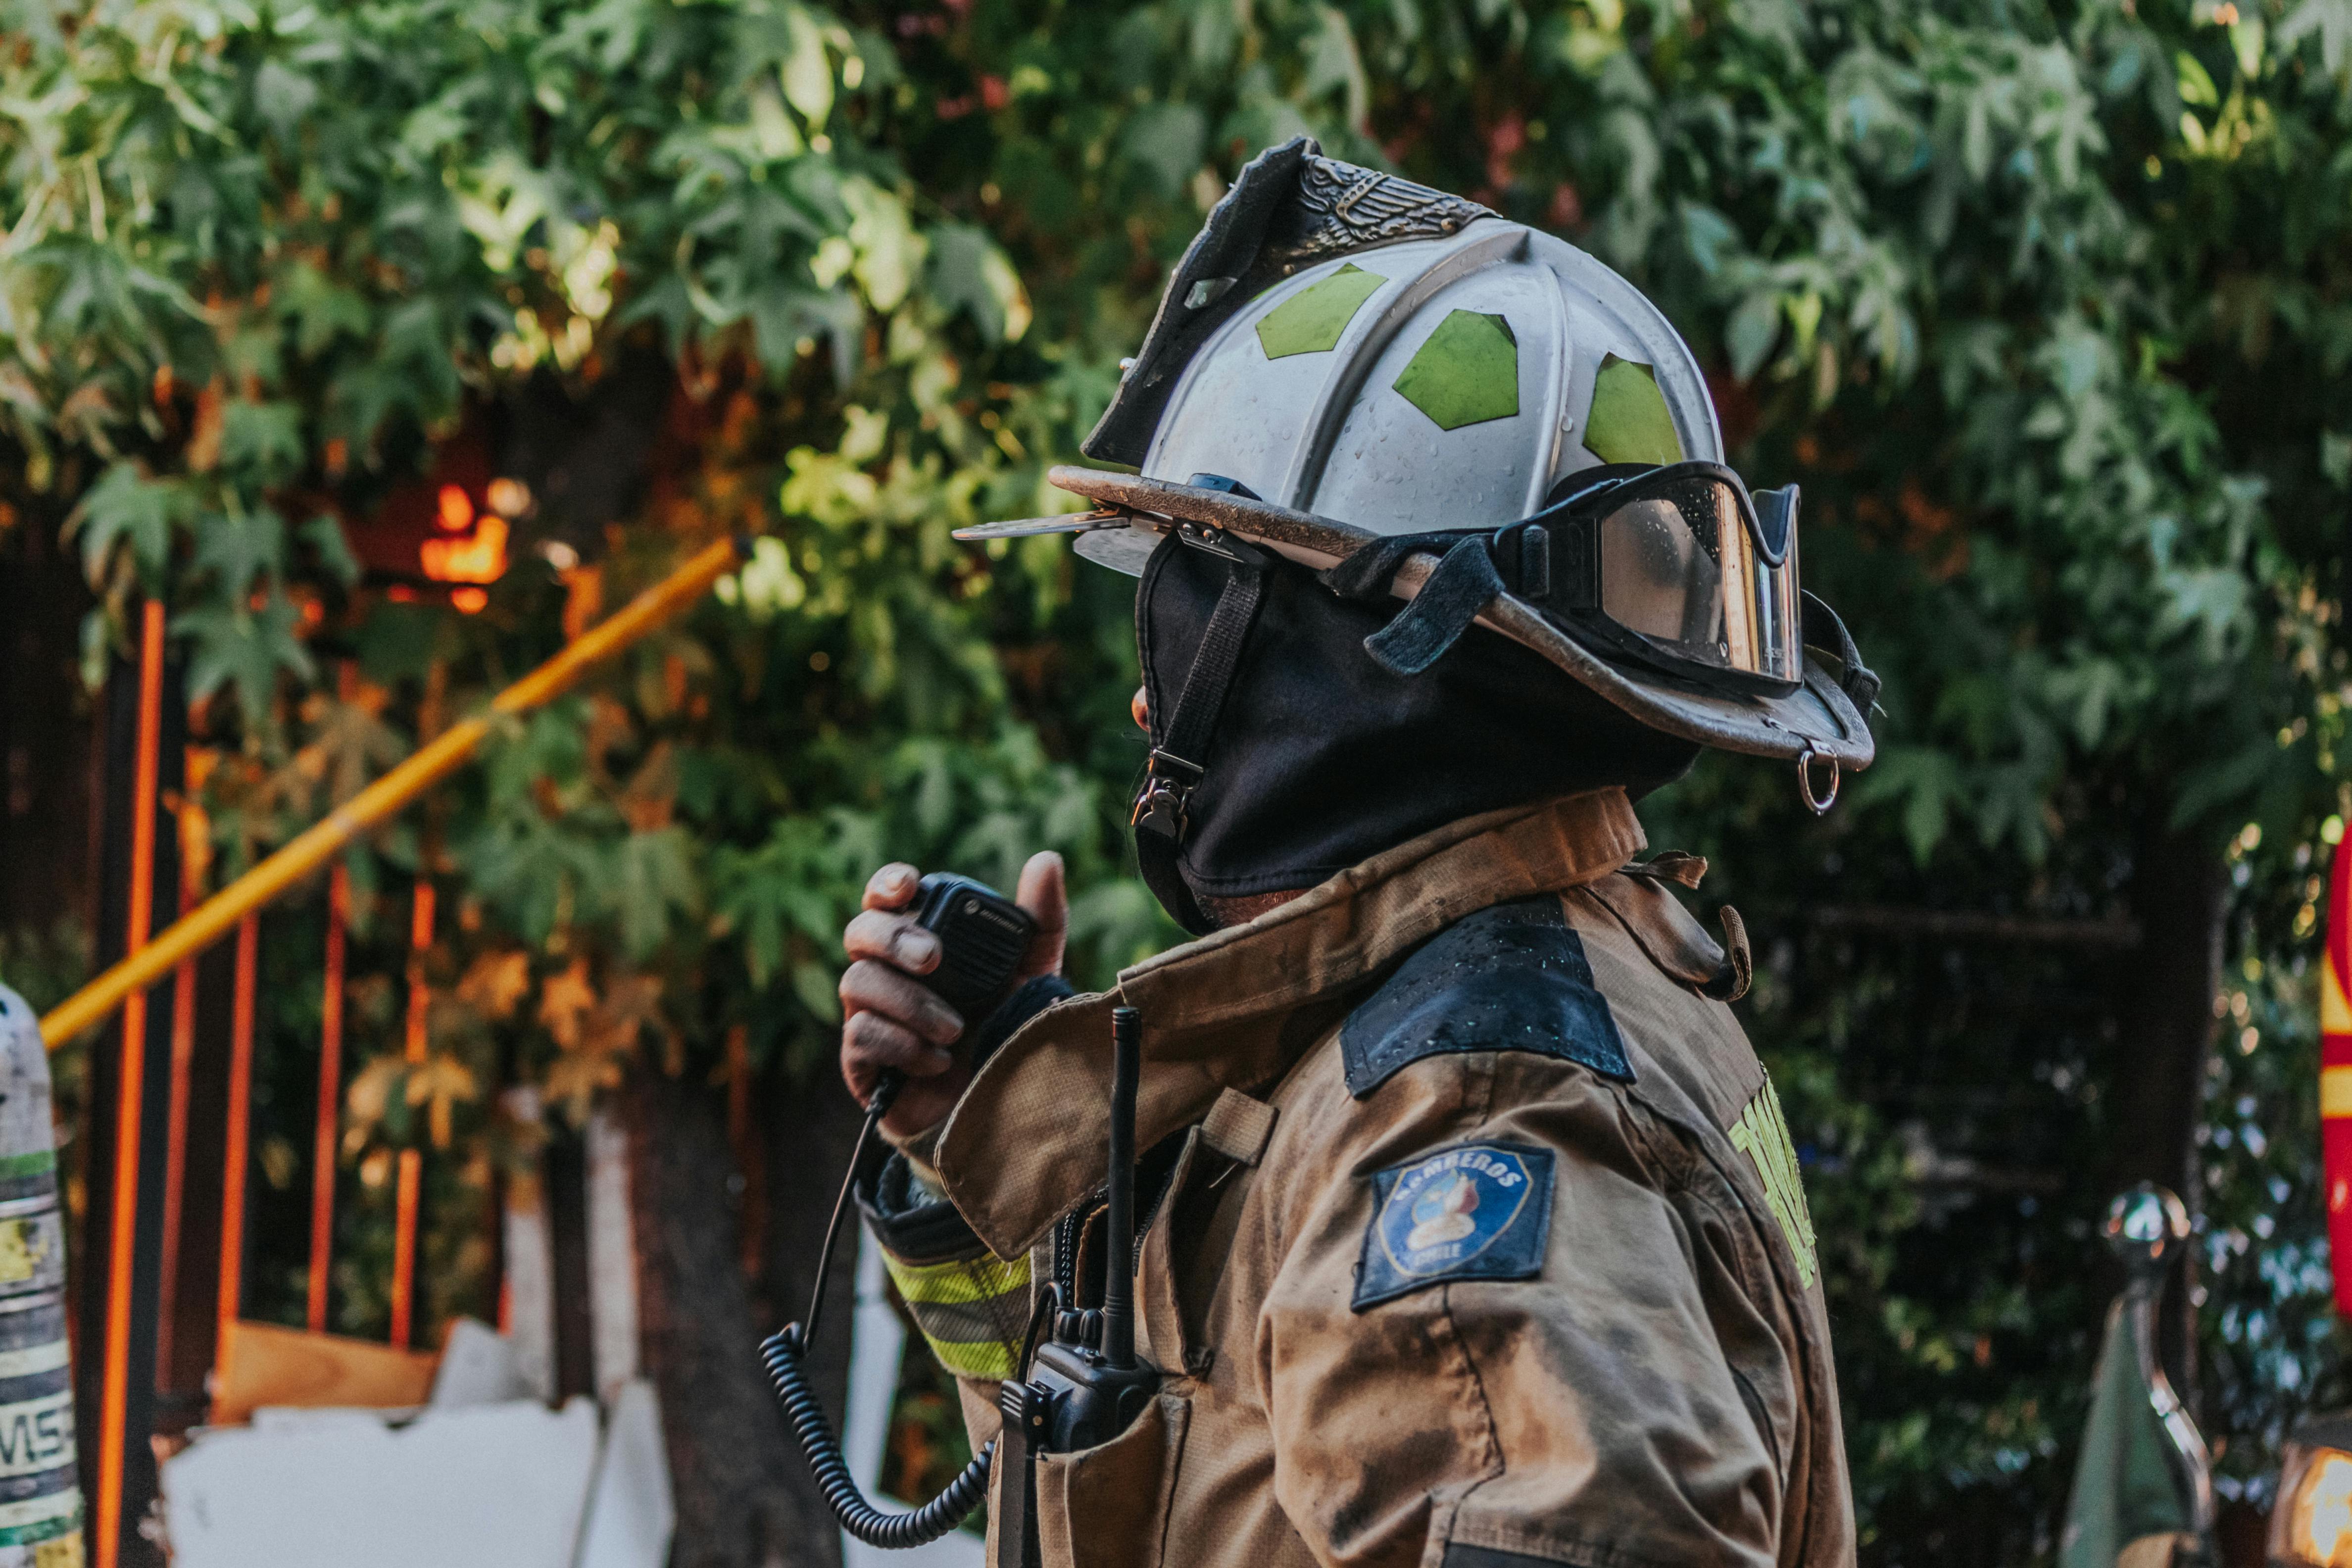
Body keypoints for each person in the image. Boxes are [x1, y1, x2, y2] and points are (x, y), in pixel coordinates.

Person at [836, 138, 1877, 1568]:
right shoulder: (1444, 1019)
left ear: (1364, 658)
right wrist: (1019, 1145)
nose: (1153, 702)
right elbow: (1201, 1478)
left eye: (1201, 609)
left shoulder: (1466, 1113)